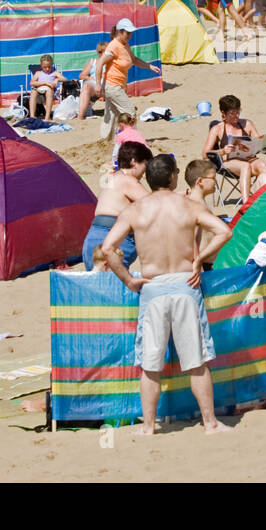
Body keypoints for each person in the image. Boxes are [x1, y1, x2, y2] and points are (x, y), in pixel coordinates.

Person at [99, 154, 233, 435]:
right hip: (185, 284)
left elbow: (108, 248)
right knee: (196, 361)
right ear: (173, 177)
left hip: (153, 285)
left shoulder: (136, 210)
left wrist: (128, 279)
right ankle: (209, 423)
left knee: (150, 364)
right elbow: (224, 231)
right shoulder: (188, 205)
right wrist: (199, 260)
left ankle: (148, 427)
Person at [82, 141, 151, 270]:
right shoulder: (127, 181)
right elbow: (155, 203)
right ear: (134, 162)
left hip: (92, 239)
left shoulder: (113, 178)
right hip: (111, 240)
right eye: (145, 164)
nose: (145, 171)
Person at [200, 94, 266, 205]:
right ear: (223, 113)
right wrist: (223, 151)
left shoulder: (247, 124)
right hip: (229, 162)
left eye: (238, 112)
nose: (236, 116)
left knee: (263, 165)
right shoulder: (217, 129)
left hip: (249, 158)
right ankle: (246, 204)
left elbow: (260, 146)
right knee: (245, 166)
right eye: (232, 113)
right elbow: (205, 154)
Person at [95, 18, 161, 140]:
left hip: (118, 85)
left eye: (131, 33)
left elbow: (134, 60)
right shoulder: (113, 46)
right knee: (130, 112)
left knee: (111, 115)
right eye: (128, 33)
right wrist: (98, 84)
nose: (130, 35)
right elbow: (100, 64)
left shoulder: (124, 44)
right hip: (112, 85)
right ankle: (132, 139)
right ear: (120, 32)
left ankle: (105, 141)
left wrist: (149, 66)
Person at [76, 40, 107, 120]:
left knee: (87, 86)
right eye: (99, 52)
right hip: (93, 84)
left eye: (104, 51)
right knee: (86, 86)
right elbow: (81, 75)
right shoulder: (93, 61)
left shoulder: (111, 63)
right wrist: (89, 78)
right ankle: (81, 115)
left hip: (106, 84)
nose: (101, 54)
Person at [28, 53, 63, 120]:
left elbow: (64, 79)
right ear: (41, 66)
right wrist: (45, 83)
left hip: (49, 91)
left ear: (52, 65)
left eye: (49, 67)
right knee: (33, 92)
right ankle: (32, 116)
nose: (47, 69)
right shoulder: (38, 73)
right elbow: (32, 83)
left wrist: (57, 79)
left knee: (49, 91)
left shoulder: (54, 72)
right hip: (39, 90)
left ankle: (47, 117)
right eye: (45, 67)